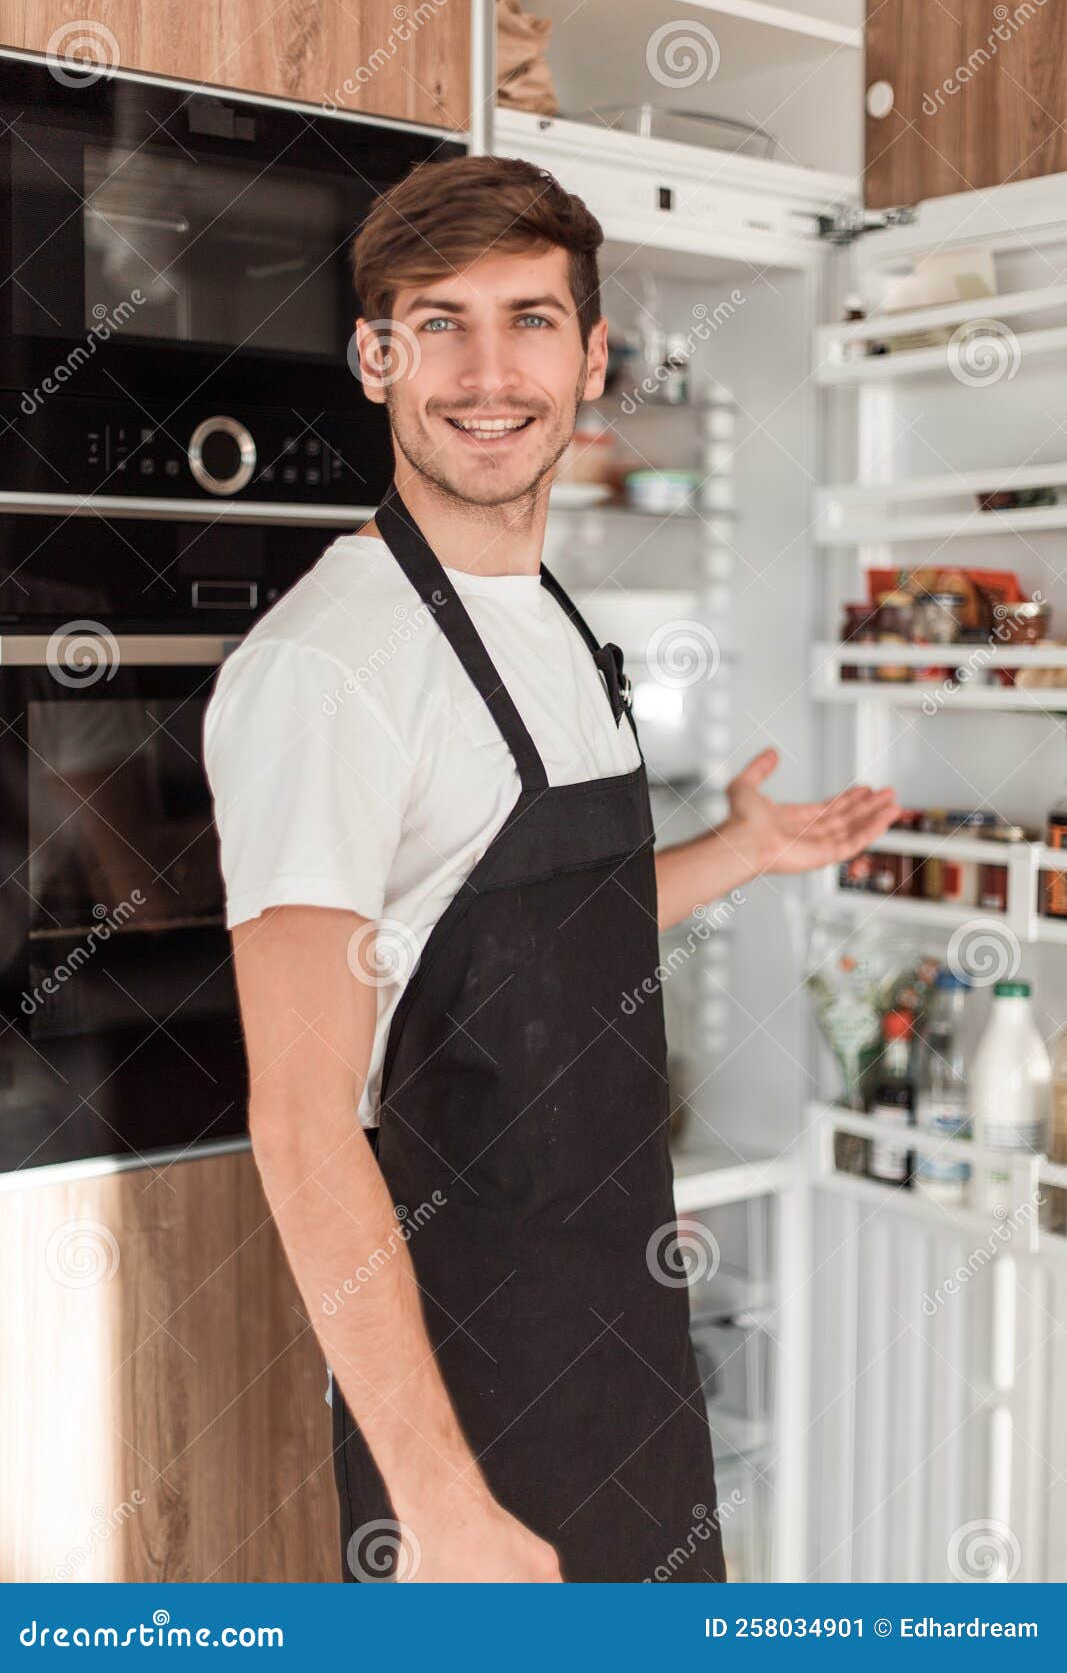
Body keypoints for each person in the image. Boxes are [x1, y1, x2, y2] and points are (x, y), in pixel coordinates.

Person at [204, 155, 897, 1584]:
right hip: (472, 1402)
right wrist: (440, 1501)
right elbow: (300, 1122)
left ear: (592, 357)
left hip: (624, 1348)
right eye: (437, 320)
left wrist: (735, 854)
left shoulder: (548, 617)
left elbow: (512, 927)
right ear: (374, 355)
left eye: (529, 319)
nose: (486, 369)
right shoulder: (329, 667)